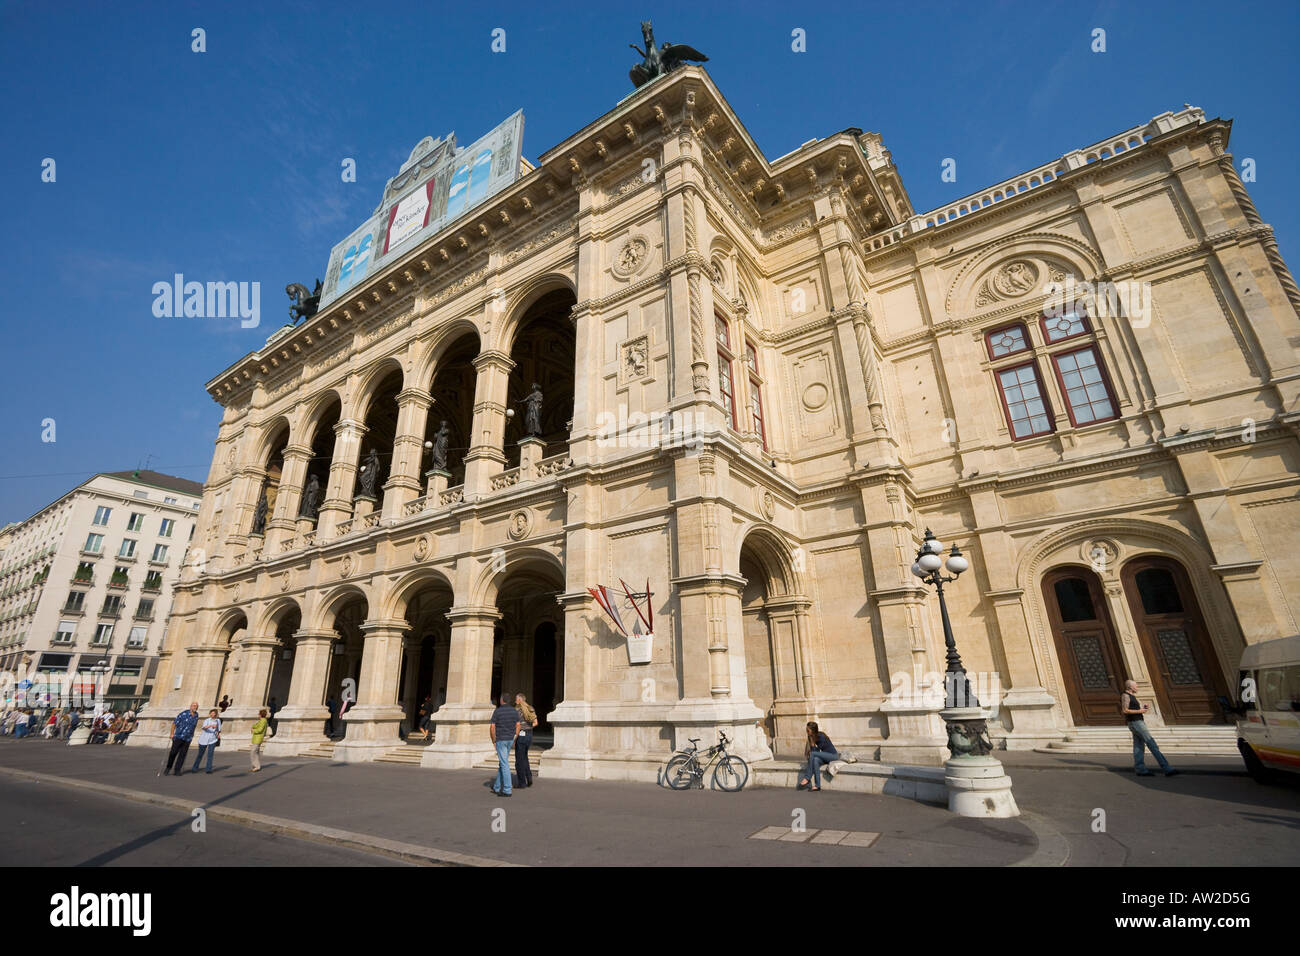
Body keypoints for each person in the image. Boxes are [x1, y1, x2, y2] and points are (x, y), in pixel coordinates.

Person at [1122, 680, 1178, 777]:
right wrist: (1140, 711)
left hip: (1136, 722)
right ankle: (1166, 768)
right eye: (1136, 686)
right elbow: (1125, 710)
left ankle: (1140, 769)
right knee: (1152, 744)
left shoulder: (1132, 696)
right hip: (1136, 723)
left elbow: (1133, 709)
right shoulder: (1125, 695)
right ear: (1130, 687)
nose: (1137, 687)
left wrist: (1143, 708)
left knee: (1138, 746)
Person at [488, 693, 521, 797]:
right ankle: (497, 787)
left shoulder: (497, 711)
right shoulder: (514, 711)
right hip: (510, 739)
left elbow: (492, 727)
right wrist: (515, 736)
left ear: (502, 700)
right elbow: (518, 725)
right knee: (502, 763)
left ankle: (507, 789)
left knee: (504, 764)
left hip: (501, 739)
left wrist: (493, 740)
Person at [799, 721, 839, 791]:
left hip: (833, 756)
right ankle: (817, 785)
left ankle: (807, 777)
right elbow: (814, 753)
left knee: (813, 755)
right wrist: (812, 744)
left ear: (813, 730)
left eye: (808, 730)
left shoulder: (821, 736)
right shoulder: (811, 737)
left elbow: (815, 752)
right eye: (806, 730)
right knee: (815, 760)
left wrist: (812, 745)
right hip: (824, 757)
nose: (807, 732)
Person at [164, 702, 201, 775]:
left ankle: (177, 770)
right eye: (194, 706)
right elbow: (174, 723)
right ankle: (168, 767)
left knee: (183, 754)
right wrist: (172, 733)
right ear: (190, 706)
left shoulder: (196, 715)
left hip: (188, 738)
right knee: (173, 752)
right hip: (179, 736)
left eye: (196, 706)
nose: (195, 707)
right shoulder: (183, 714)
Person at [514, 692, 539, 788]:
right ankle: (529, 777)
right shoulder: (530, 708)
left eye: (516, 699)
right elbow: (536, 723)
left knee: (519, 760)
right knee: (525, 757)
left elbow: (516, 725)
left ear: (520, 700)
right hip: (529, 735)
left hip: (521, 735)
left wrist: (518, 732)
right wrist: (528, 727)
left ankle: (522, 783)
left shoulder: (516, 710)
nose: (515, 701)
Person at [190, 709, 221, 773]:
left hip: (213, 739)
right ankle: (195, 768)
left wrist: (218, 734)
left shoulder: (218, 721)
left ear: (216, 714)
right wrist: (210, 726)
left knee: (210, 754)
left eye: (213, 713)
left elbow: (219, 730)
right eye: (211, 713)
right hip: (204, 739)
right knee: (200, 754)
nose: (212, 714)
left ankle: (208, 769)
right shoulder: (207, 720)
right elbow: (203, 728)